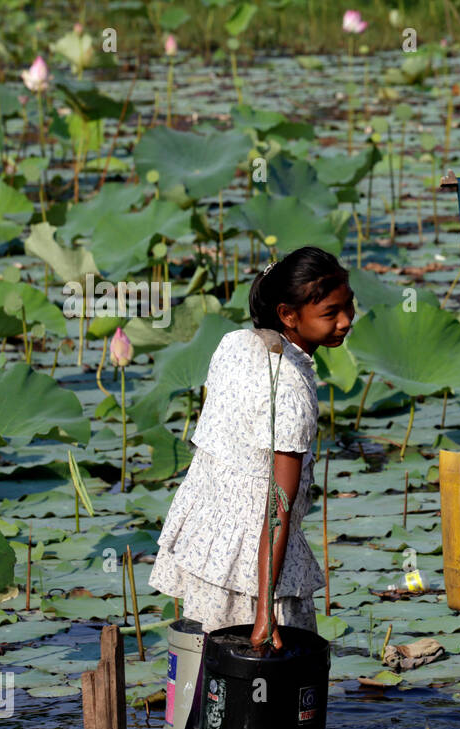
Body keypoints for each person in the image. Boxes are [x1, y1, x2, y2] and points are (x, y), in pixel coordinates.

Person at [149, 246, 355, 652]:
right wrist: (265, 611)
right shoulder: (291, 391)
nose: (346, 322)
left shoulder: (235, 344)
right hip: (259, 572)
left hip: (211, 548)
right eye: (331, 313)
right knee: (272, 688)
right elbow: (278, 504)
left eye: (349, 306)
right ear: (288, 315)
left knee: (209, 677)